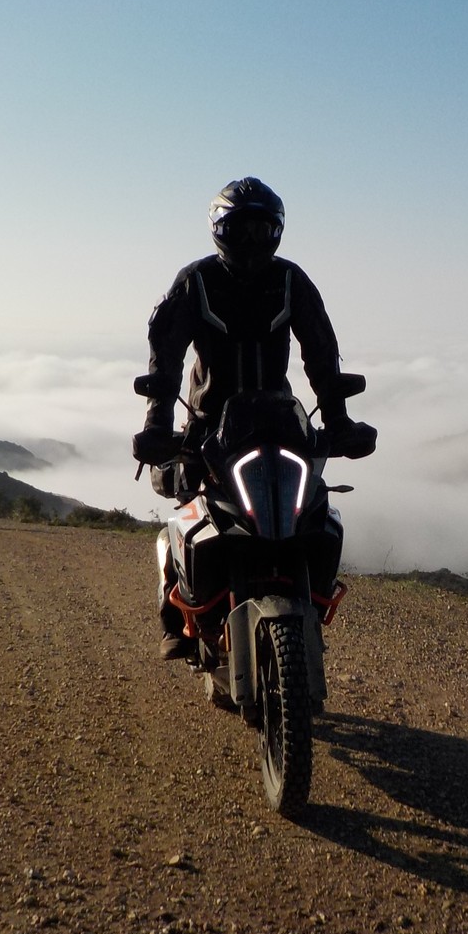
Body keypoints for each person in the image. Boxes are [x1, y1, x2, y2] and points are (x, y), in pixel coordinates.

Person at [133, 177, 376, 658]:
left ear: (276, 231)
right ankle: (174, 613)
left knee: (314, 506)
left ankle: (310, 598)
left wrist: (339, 420)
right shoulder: (195, 281)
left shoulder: (290, 281)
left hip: (278, 421)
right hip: (209, 424)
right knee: (187, 501)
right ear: (218, 229)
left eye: (261, 229)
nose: (250, 240)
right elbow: (165, 358)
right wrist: (158, 424)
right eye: (239, 228)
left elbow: (321, 353)